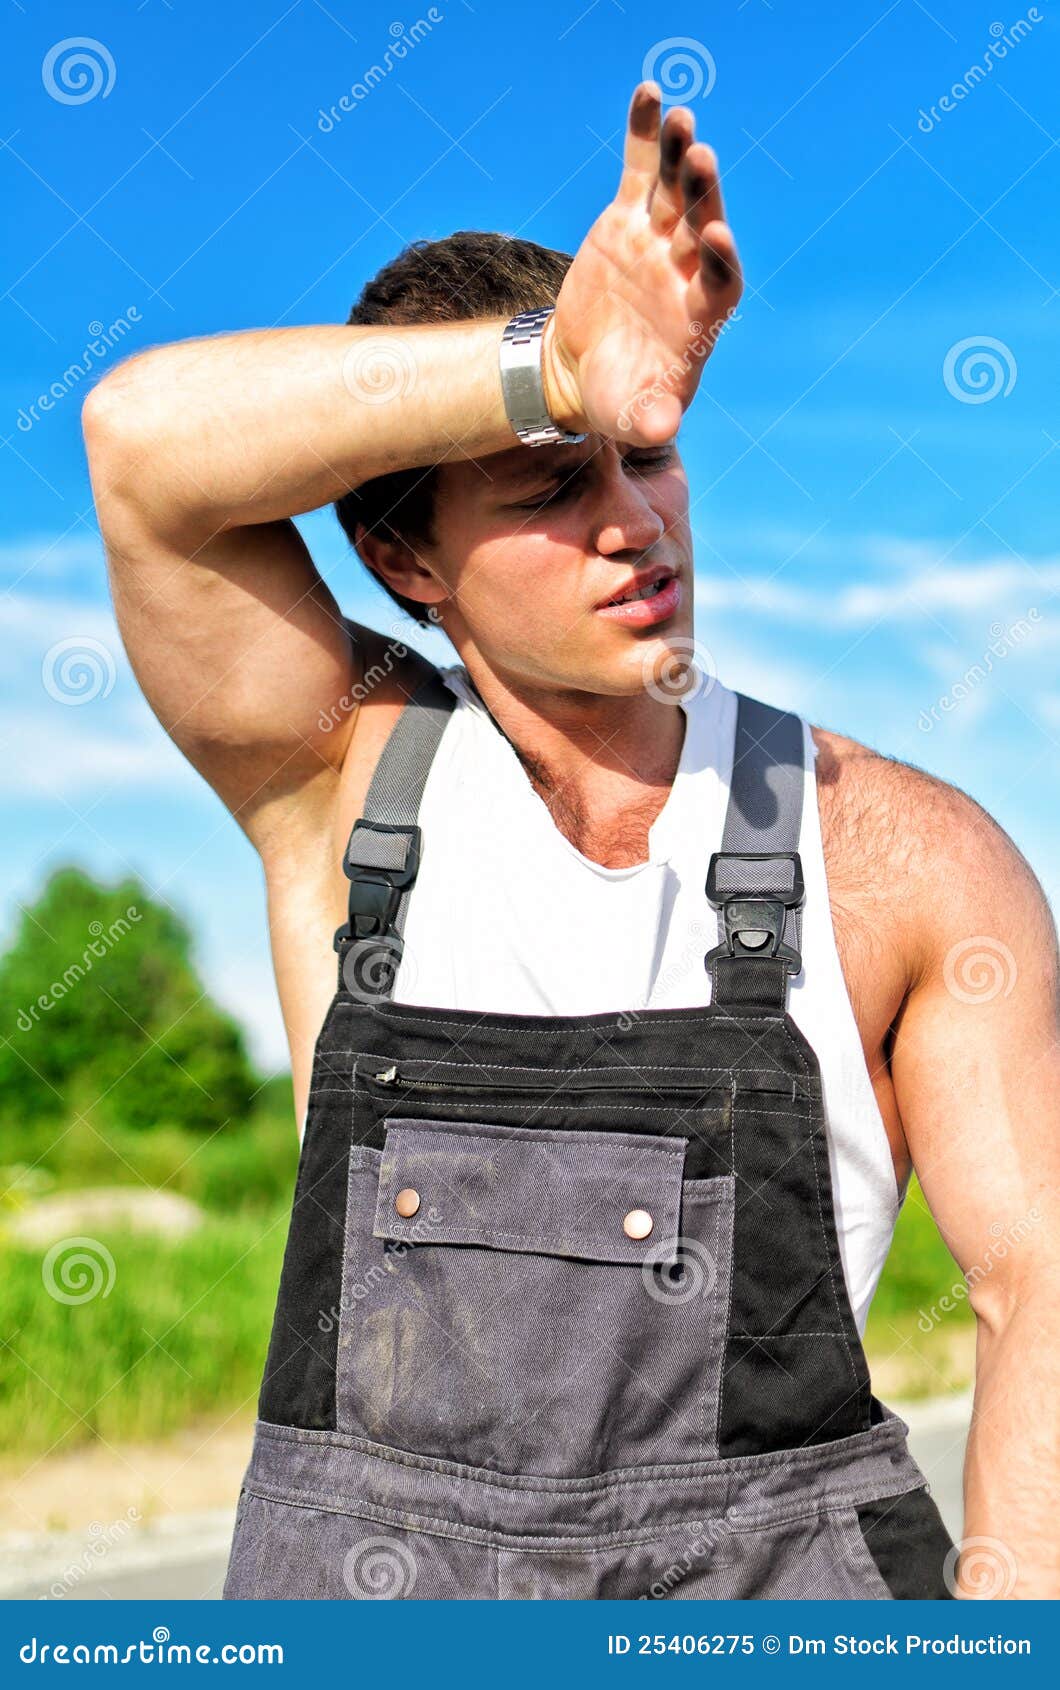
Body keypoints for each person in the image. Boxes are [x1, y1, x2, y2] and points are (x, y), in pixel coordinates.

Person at [83, 81, 1058, 1601]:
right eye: (555, 477)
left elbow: (1036, 1294)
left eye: (649, 458)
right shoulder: (345, 788)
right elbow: (137, 444)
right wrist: (556, 366)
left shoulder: (903, 852)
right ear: (407, 558)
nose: (636, 522)